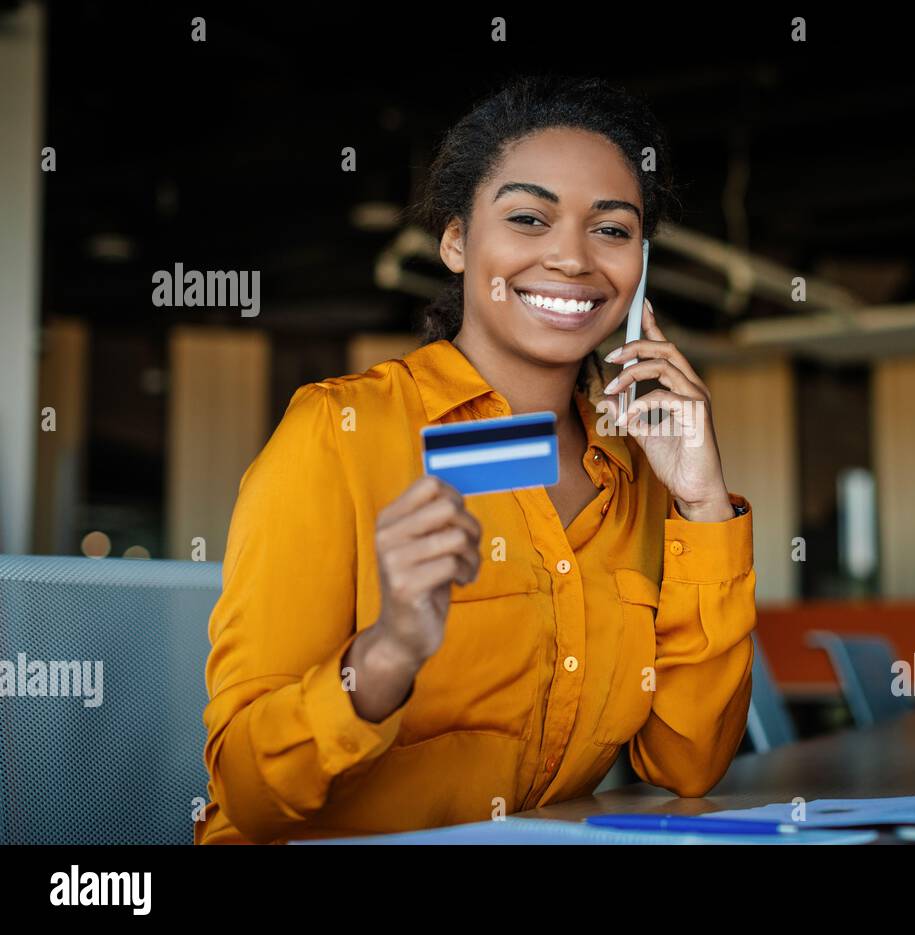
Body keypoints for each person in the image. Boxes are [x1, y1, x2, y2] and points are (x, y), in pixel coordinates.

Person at [196, 75, 756, 844]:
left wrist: (702, 502)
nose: (571, 258)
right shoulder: (341, 433)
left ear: (643, 266)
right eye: (529, 218)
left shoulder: (638, 472)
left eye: (613, 229)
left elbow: (687, 763)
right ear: (457, 242)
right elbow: (250, 797)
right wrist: (385, 654)